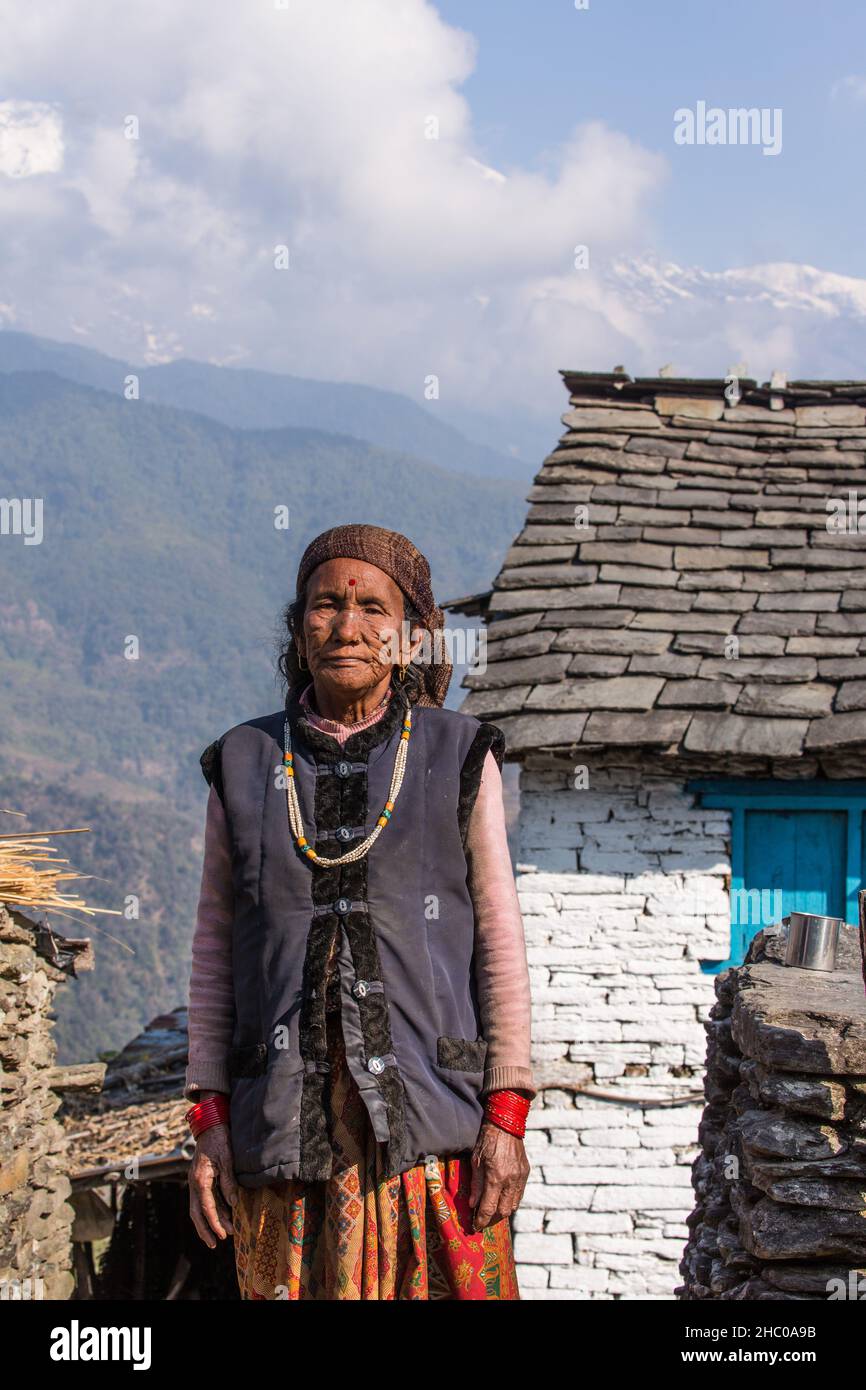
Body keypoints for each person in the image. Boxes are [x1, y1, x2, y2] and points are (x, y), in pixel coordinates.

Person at [183, 523, 536, 1300]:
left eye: (373, 607)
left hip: (436, 1136)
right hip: (283, 1132)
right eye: (325, 606)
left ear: (410, 638)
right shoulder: (242, 763)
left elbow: (500, 943)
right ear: (298, 629)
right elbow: (213, 952)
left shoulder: (458, 754)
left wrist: (506, 1117)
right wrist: (208, 1117)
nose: (347, 627)